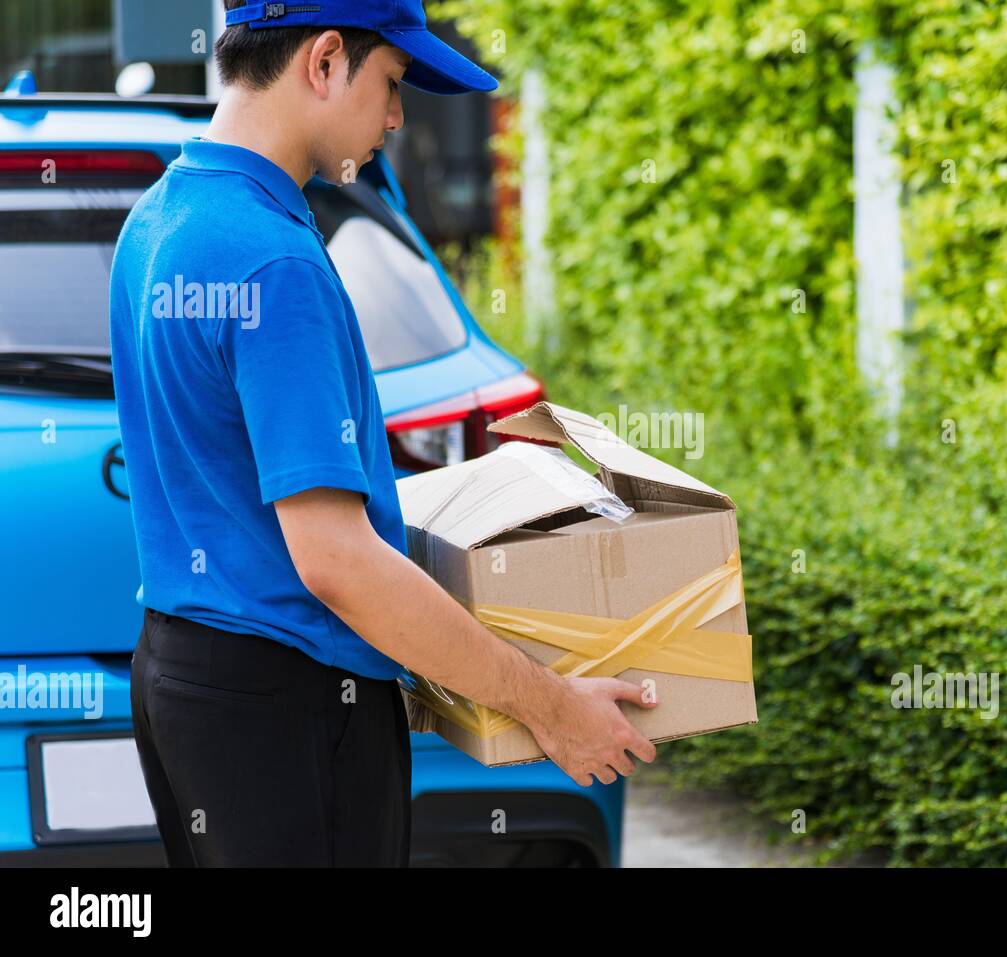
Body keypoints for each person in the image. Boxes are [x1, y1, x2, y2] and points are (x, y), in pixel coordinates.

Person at [111, 0, 656, 868]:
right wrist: (551, 706)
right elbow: (336, 561)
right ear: (325, 62)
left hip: (184, 677)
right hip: (289, 703)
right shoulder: (274, 260)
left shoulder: (160, 219)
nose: (398, 117)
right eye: (393, 83)